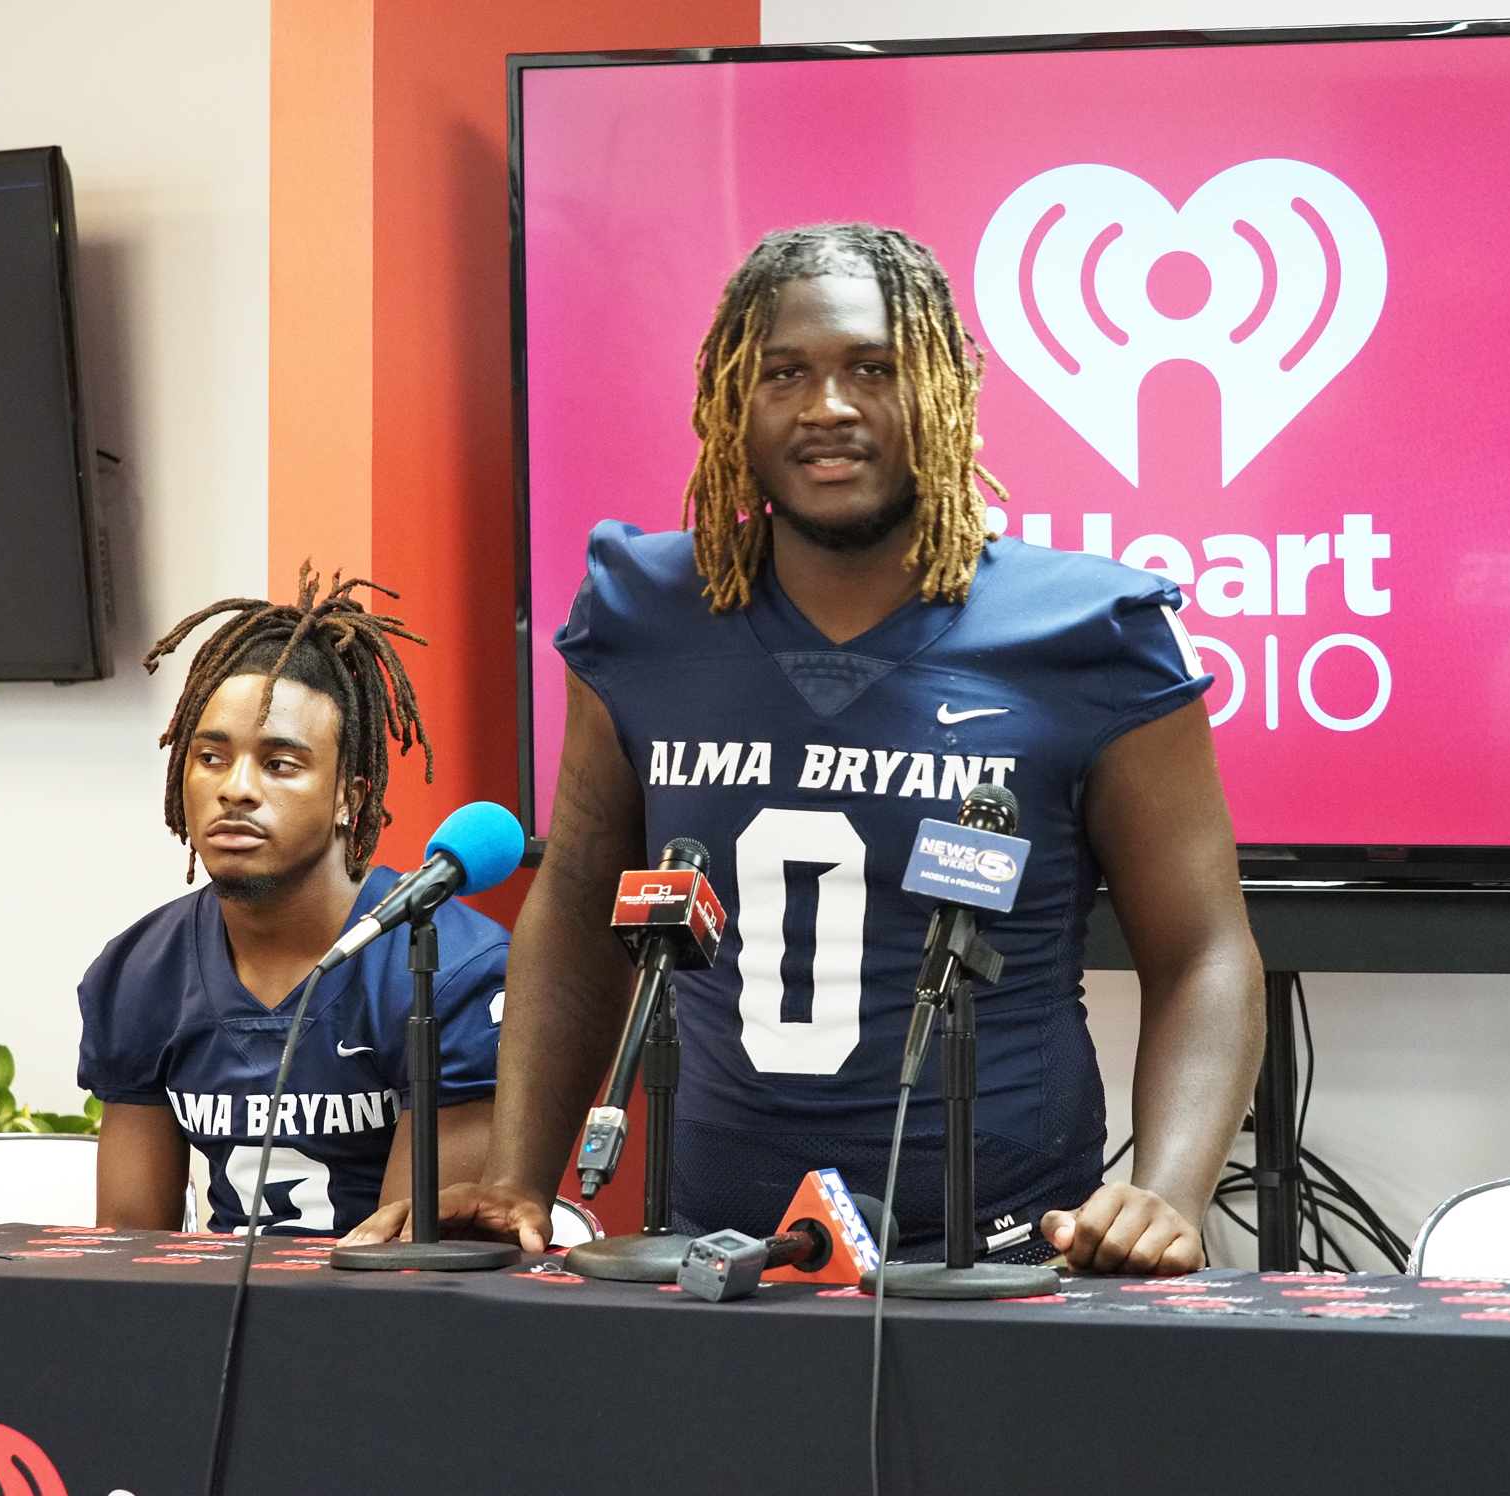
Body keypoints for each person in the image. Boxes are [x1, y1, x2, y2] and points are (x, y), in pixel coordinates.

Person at [344, 224, 1262, 1274]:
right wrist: (517, 1175)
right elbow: (579, 910)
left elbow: (1199, 948)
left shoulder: (1091, 631)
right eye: (784, 373)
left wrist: (1167, 1190)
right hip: (716, 1251)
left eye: (872, 368)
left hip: (1005, 1251)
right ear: (733, 403)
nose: (827, 405)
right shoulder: (640, 614)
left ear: (945, 390)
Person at [80, 565, 507, 1237]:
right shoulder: (141, 971)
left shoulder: (451, 968)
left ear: (350, 797)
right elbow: (132, 1252)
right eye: (211, 758)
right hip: (215, 1327)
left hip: (389, 1329)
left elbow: (416, 1261)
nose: (236, 789)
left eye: (280, 764)